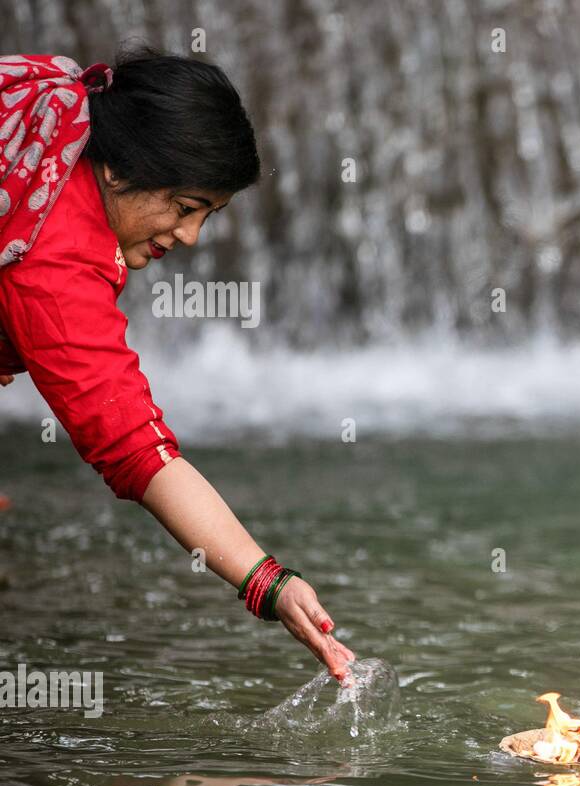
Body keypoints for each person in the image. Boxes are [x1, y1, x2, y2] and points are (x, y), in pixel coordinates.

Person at [0, 49, 354, 682]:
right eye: (185, 207)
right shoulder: (57, 257)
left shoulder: (48, 108)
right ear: (116, 171)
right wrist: (266, 581)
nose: (189, 237)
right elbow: (135, 448)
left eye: (205, 216)